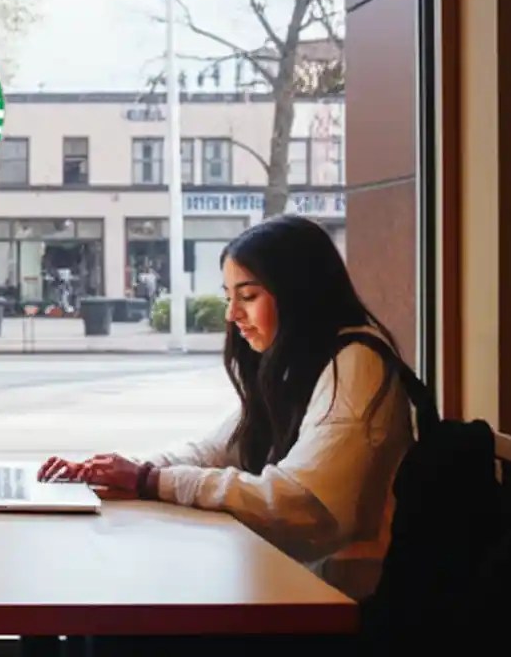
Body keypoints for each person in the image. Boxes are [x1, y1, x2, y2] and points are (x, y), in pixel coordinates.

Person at [38, 215, 412, 600]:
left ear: (299, 293)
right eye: (228, 297)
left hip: (339, 605)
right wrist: (119, 472)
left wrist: (150, 481)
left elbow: (300, 503)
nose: (232, 315)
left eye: (248, 297)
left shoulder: (355, 364)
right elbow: (216, 451)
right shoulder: (303, 365)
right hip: (297, 584)